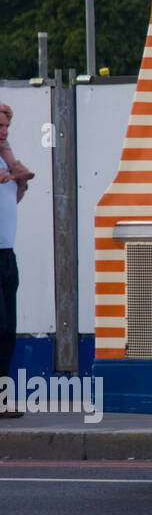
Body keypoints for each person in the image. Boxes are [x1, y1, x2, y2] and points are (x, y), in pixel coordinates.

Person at [0, 102, 35, 418]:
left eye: (6, 129)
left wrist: (19, 182)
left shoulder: (5, 158)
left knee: (8, 328)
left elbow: (12, 200)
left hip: (6, 253)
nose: (3, 133)